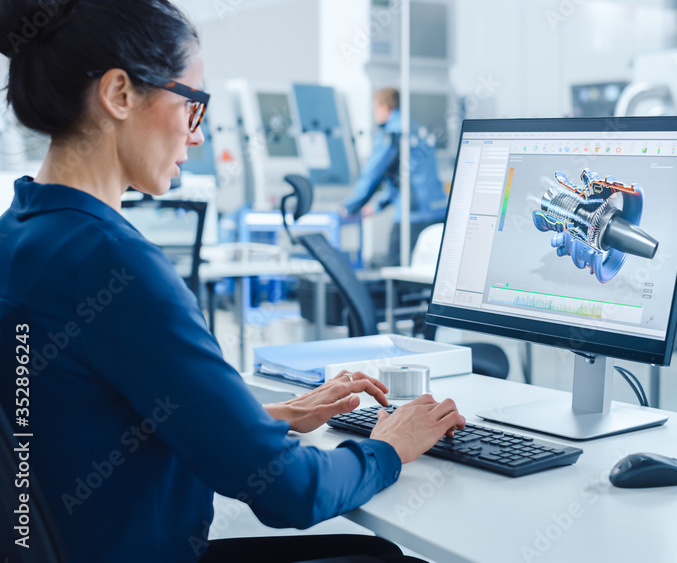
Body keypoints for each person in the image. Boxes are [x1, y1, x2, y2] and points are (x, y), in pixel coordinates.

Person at [0, 1, 464, 561]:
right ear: (119, 94)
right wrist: (389, 447)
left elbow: (89, 424)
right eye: (192, 105)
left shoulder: (21, 233)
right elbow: (289, 492)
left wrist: (263, 418)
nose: (196, 137)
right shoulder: (116, 265)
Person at [343, 87, 448, 267]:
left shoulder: (392, 134)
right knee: (430, 272)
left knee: (393, 273)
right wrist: (377, 205)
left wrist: (350, 206)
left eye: (375, 108)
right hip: (438, 211)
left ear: (385, 107)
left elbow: (372, 173)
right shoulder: (415, 129)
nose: (375, 114)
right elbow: (402, 177)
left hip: (413, 215)